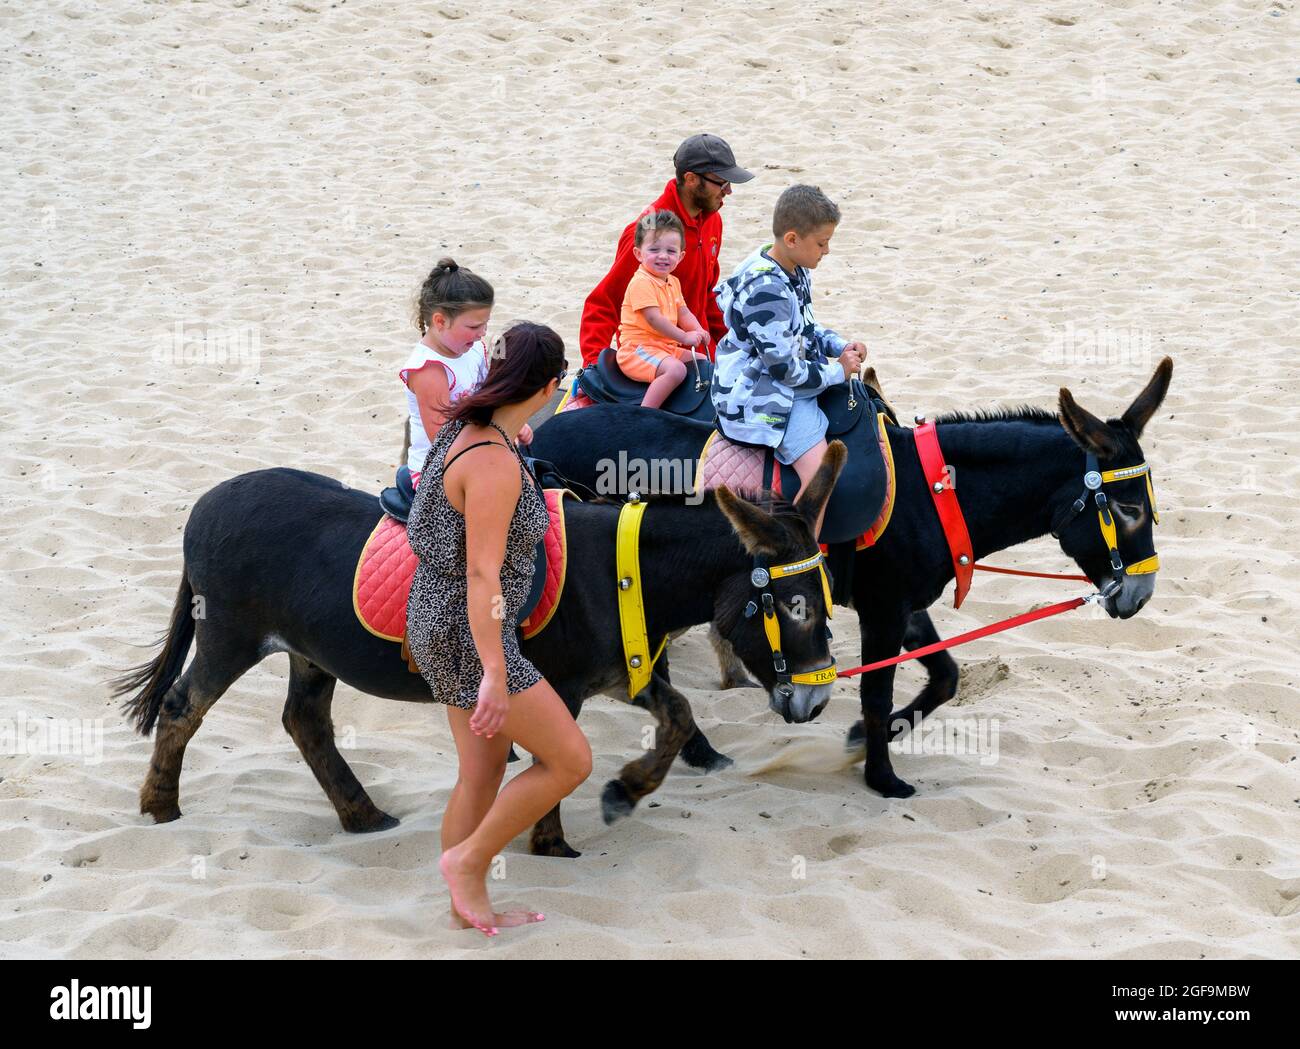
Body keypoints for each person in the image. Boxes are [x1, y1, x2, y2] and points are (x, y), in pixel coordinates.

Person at [404, 321, 590, 938]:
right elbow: (483, 575)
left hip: (437, 614)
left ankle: (463, 904)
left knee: (481, 773)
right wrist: (492, 669)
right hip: (467, 627)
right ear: (552, 386)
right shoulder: (492, 464)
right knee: (569, 760)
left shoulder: (471, 426)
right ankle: (469, 861)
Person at [710, 184, 867, 535]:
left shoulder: (794, 268)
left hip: (782, 374)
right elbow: (785, 369)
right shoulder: (767, 289)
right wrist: (837, 371)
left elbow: (806, 328)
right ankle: (798, 557)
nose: (827, 250)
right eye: (822, 242)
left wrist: (840, 346)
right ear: (793, 239)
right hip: (758, 392)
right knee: (820, 475)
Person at [578, 133, 754, 366]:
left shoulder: (712, 221)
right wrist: (594, 368)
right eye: (722, 182)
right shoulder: (646, 235)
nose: (728, 191)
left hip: (701, 357)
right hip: (657, 365)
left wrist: (730, 345)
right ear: (691, 179)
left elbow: (705, 294)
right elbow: (603, 305)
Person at [400, 259, 531, 485]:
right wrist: (496, 436)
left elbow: (489, 393)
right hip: (439, 468)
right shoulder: (430, 370)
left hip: (476, 447)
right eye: (473, 327)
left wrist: (513, 420)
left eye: (485, 324)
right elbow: (443, 441)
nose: (482, 333)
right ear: (440, 321)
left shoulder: (474, 348)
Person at [615, 210, 710, 408]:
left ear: (681, 256)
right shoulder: (641, 282)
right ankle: (645, 413)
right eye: (654, 249)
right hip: (637, 349)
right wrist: (684, 338)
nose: (663, 256)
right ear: (638, 254)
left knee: (702, 363)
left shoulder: (672, 281)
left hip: (664, 348)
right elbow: (653, 319)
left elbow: (683, 312)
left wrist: (698, 330)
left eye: (671, 251)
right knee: (676, 371)